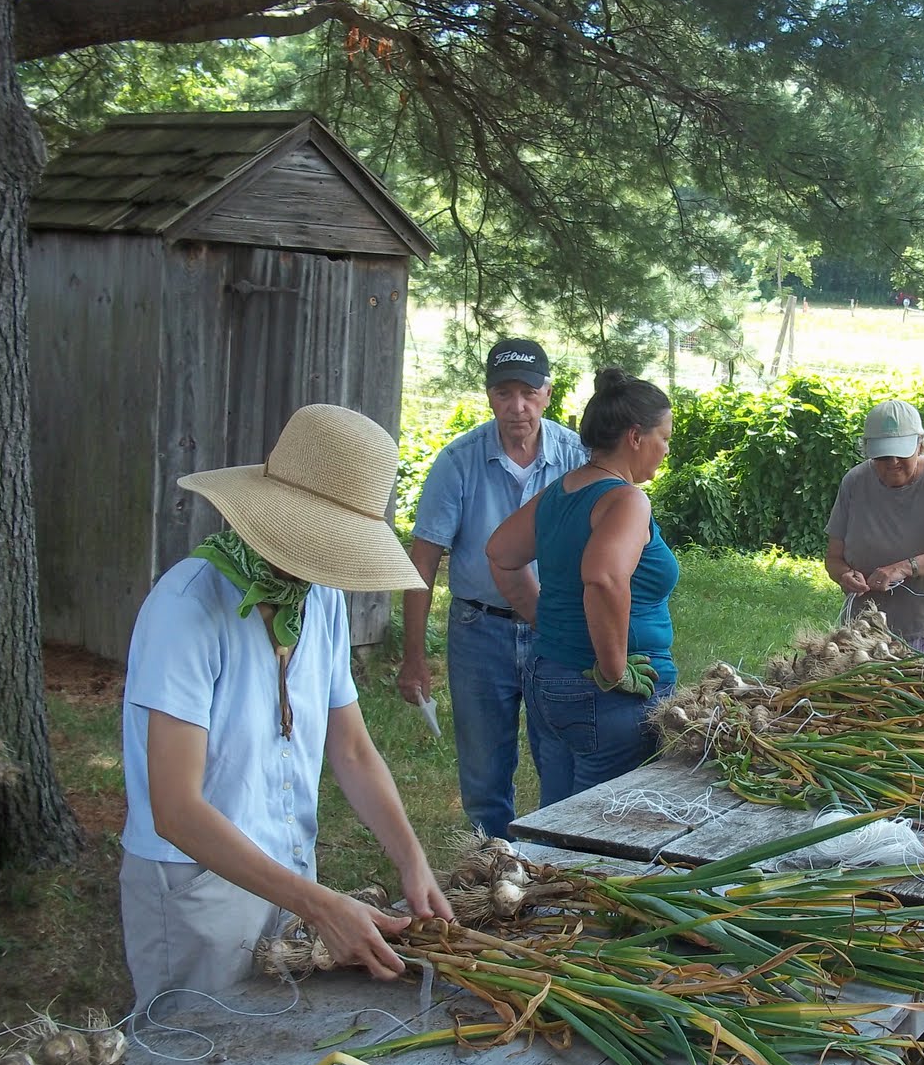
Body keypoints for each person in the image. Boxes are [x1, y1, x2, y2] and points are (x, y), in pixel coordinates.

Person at [119, 404, 454, 1014]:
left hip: (291, 867)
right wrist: (321, 904)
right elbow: (175, 810)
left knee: (275, 1056)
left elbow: (350, 748)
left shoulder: (317, 597)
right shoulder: (187, 609)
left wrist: (411, 858)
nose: (327, 563)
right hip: (199, 888)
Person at [398, 338, 586, 838]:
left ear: (548, 393)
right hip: (479, 629)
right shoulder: (458, 462)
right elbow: (423, 561)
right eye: (505, 393)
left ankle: (558, 867)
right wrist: (414, 656)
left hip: (557, 629)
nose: (517, 407)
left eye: (528, 392)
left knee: (562, 762)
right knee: (483, 771)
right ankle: (488, 875)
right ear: (489, 397)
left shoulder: (577, 457)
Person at [486, 367, 678, 804]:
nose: (665, 449)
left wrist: (543, 620)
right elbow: (604, 576)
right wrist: (613, 670)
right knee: (605, 827)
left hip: (550, 677)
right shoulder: (627, 499)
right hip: (606, 697)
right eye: (663, 437)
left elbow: (501, 552)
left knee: (556, 817)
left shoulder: (563, 490)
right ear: (635, 436)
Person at [824, 400, 924, 652]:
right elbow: (833, 557)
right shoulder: (854, 483)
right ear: (867, 449)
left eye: (901, 453)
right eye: (883, 455)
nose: (893, 462)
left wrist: (904, 568)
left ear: (920, 446)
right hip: (866, 633)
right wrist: (844, 575)